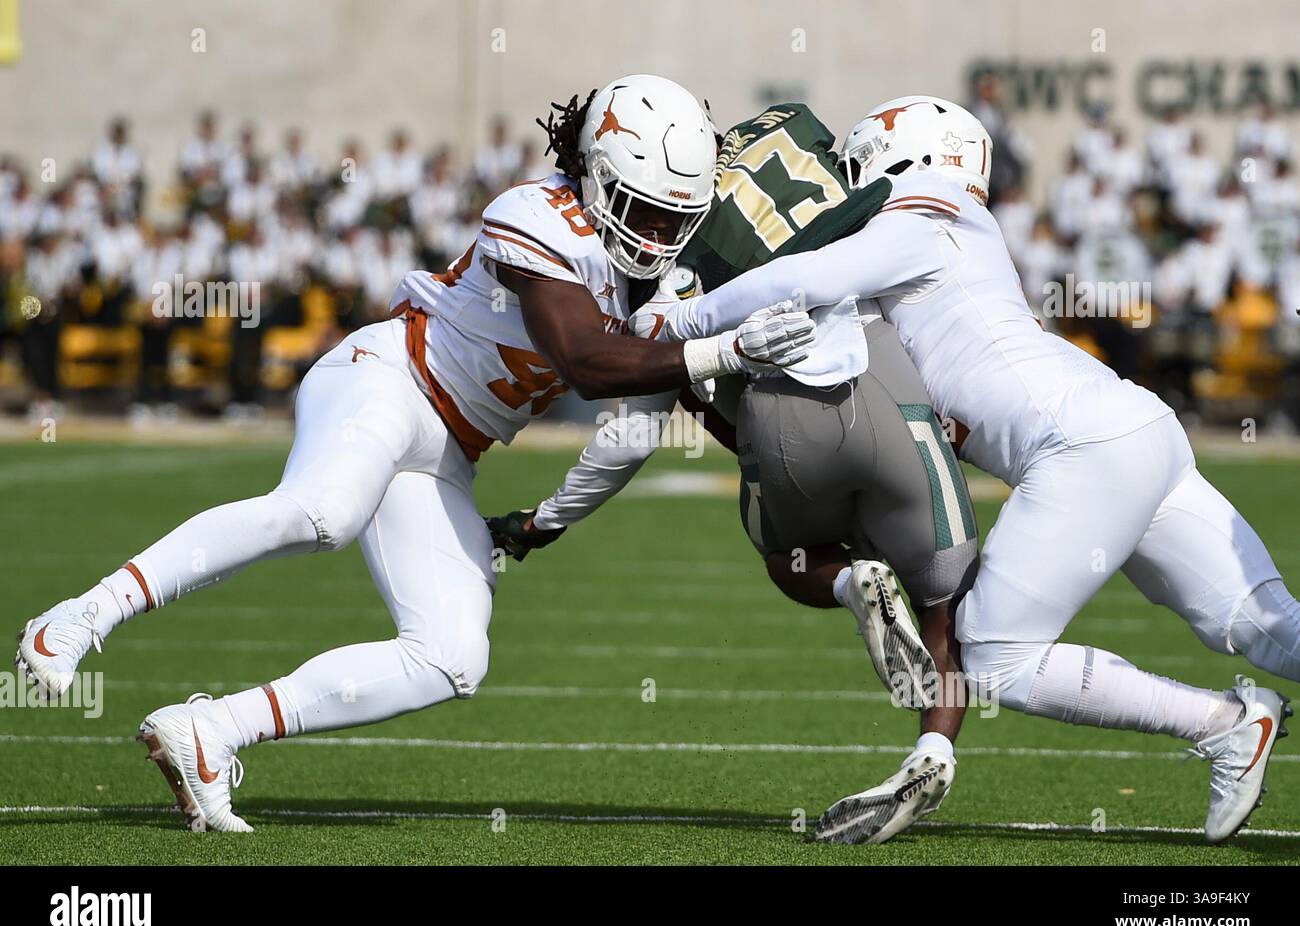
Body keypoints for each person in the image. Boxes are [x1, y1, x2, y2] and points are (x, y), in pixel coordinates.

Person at [14, 74, 816, 833]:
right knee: (322, 511)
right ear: (598, 179)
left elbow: (635, 428)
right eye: (641, 212)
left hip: (448, 453)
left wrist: (545, 522)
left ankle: (211, 731)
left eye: (675, 221)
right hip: (390, 379)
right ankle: (82, 614)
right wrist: (723, 350)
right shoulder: (538, 215)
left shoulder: (668, 286)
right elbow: (585, 361)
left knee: (452, 657)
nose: (658, 238)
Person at [650, 95, 1297, 844]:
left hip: (1083, 444)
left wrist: (682, 326)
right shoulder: (941, 238)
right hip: (1132, 428)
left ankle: (1222, 724)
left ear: (913, 154)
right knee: (1261, 622)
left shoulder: (927, 207)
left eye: (860, 161)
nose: (849, 180)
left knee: (994, 655)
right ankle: (1231, 722)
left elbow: (807, 279)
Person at [488, 103, 980, 845]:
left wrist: (544, 520)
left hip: (777, 420)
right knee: (945, 603)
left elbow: (627, 438)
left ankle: (849, 583)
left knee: (794, 560)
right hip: (887, 375)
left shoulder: (655, 276)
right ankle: (934, 746)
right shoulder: (792, 127)